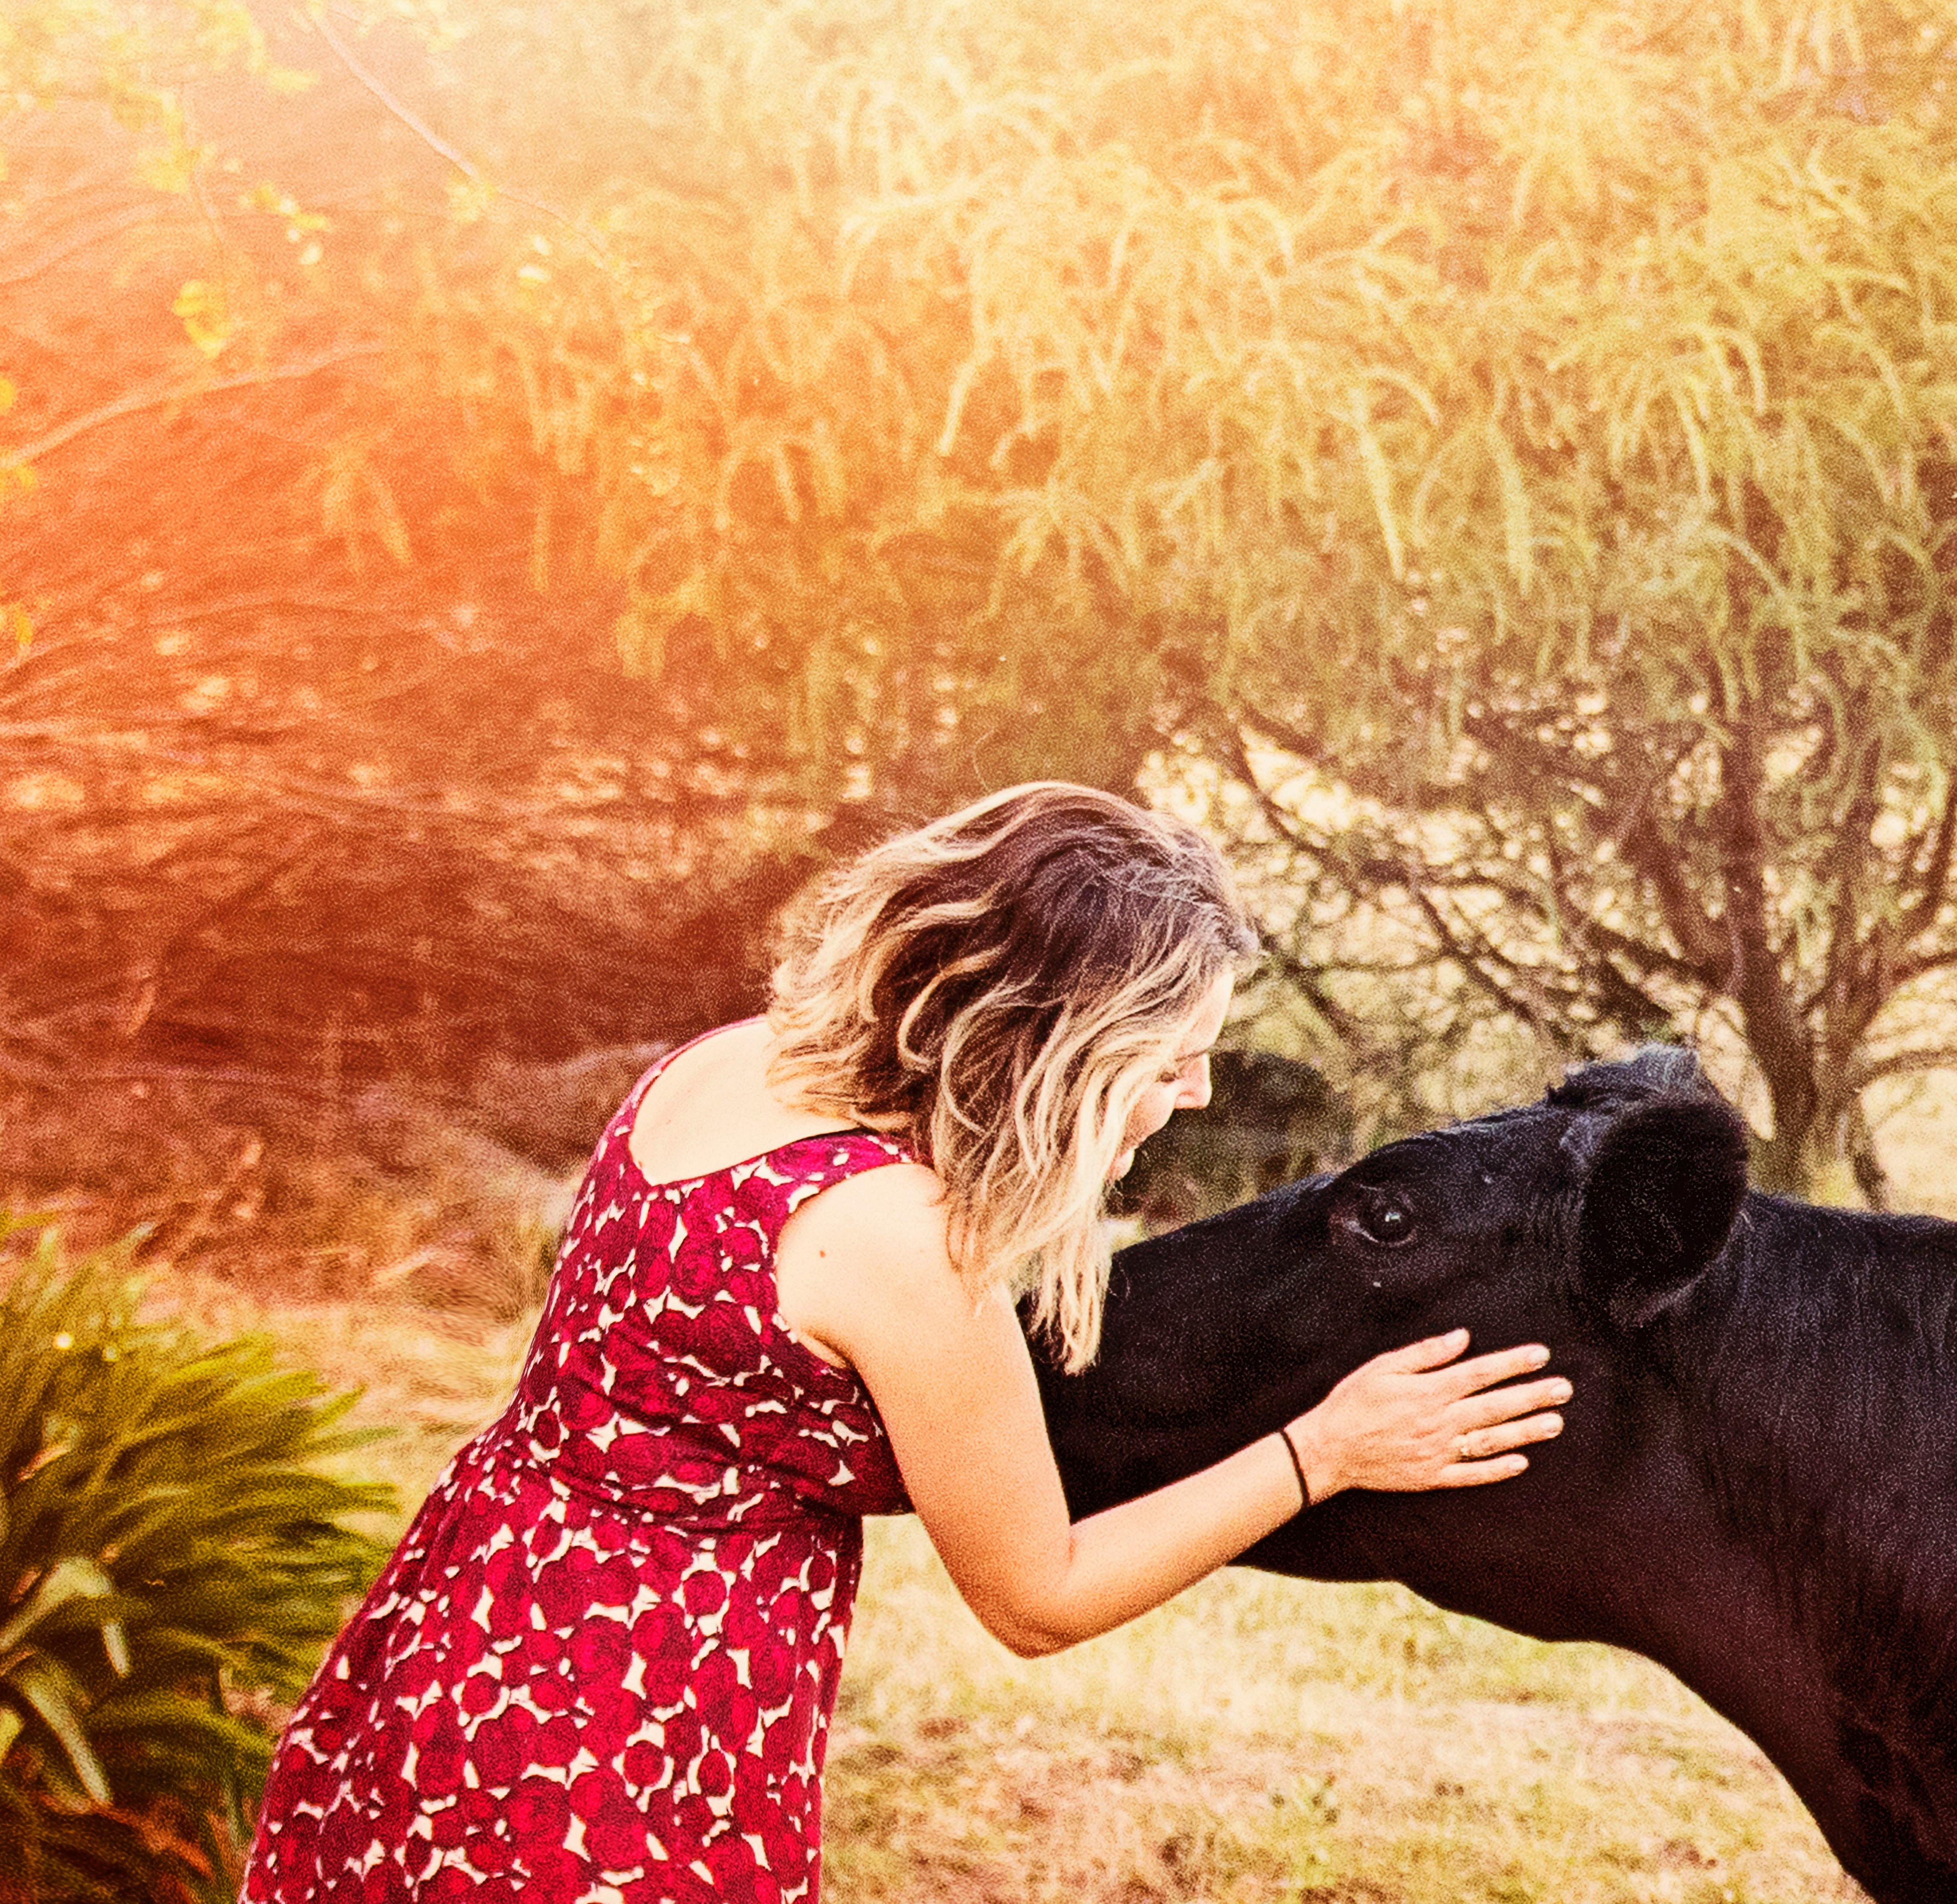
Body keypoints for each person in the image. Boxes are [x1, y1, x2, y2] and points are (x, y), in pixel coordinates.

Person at [239, 783, 1568, 1902]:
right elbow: (1036, 1596)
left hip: (472, 1623)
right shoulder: (903, 1243)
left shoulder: (737, 1062)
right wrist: (1326, 1450)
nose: (1199, 1090)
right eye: (1169, 1057)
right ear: (1055, 1043)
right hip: (634, 1721)